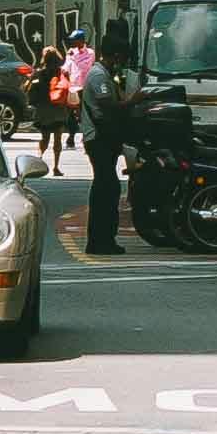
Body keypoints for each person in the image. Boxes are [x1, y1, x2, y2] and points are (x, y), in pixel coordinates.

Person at [76, 29, 131, 263]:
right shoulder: (99, 76)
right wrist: (132, 101)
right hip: (98, 139)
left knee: (108, 188)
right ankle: (100, 241)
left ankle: (104, 239)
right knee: (105, 189)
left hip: (102, 139)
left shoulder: (105, 74)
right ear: (116, 55)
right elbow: (108, 105)